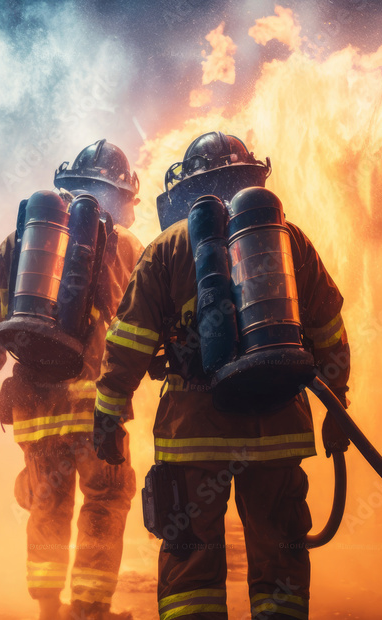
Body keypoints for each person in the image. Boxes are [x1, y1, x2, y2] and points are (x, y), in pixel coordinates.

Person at [92, 132, 351, 620]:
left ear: (188, 188)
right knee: (281, 563)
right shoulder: (288, 240)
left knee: (191, 567)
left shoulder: (166, 249)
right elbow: (329, 330)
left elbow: (127, 342)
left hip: (193, 437)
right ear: (250, 178)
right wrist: (337, 405)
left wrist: (109, 415)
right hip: (276, 429)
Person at [0, 140, 145, 620]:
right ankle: (89, 610)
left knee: (47, 507)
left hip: (32, 406)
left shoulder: (21, 244)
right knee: (105, 500)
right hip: (96, 412)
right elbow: (148, 319)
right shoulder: (126, 247)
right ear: (115, 193)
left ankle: (50, 610)